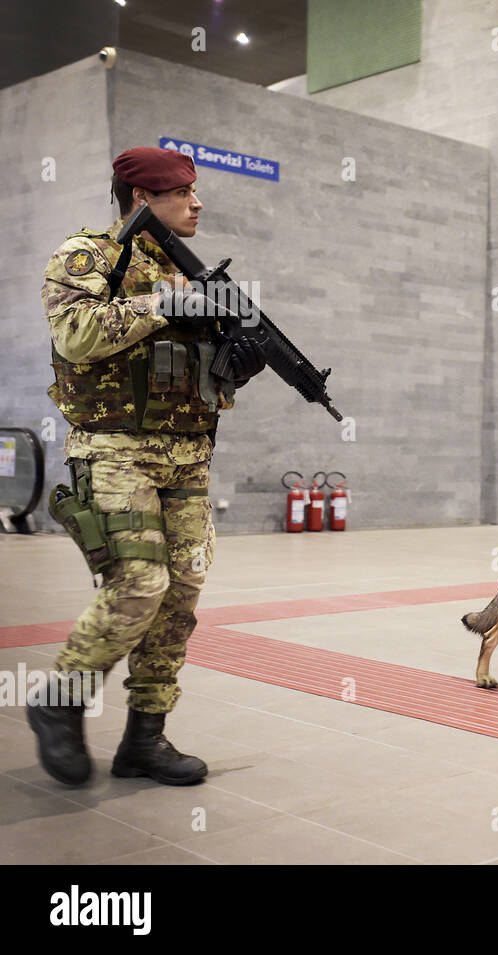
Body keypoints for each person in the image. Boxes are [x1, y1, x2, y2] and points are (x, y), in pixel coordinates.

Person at [27, 146, 265, 786]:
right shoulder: (89, 256)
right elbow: (75, 335)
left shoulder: (191, 273)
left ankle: (145, 737)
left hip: (188, 457)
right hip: (112, 450)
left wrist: (234, 355)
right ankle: (59, 703)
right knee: (139, 585)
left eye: (194, 192)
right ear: (141, 200)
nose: (197, 202)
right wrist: (162, 306)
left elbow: (201, 376)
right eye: (182, 193)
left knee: (181, 596)